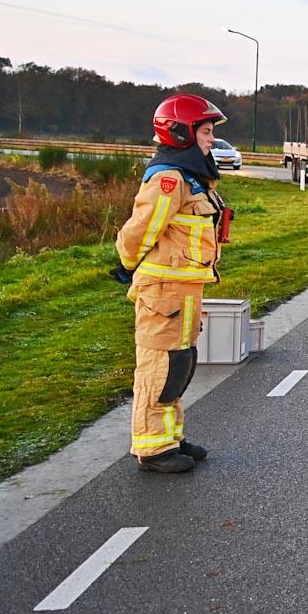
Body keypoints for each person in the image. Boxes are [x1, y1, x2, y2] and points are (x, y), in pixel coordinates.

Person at [111, 94, 230, 473]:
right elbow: (140, 230)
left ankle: (169, 437)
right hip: (163, 291)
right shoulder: (169, 178)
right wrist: (129, 266)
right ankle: (152, 449)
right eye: (207, 131)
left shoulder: (194, 178)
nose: (211, 139)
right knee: (159, 367)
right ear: (181, 132)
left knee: (179, 365)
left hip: (184, 290)